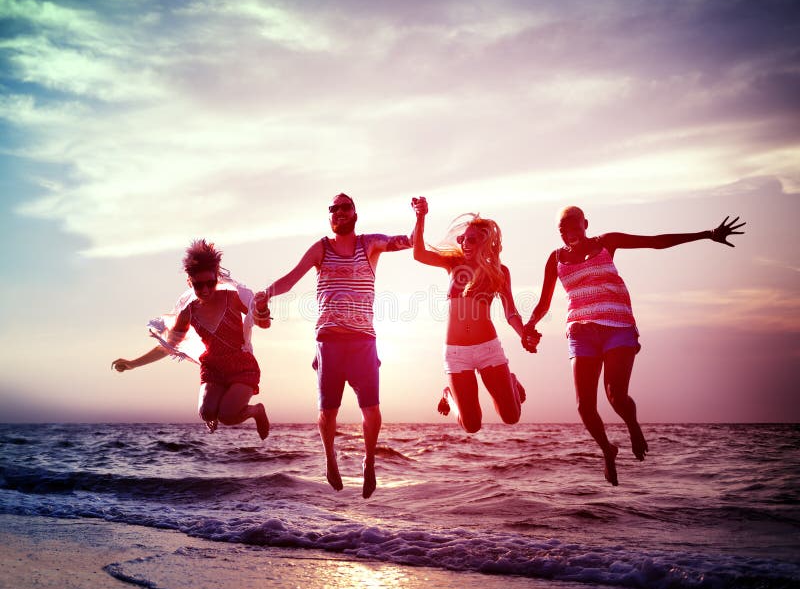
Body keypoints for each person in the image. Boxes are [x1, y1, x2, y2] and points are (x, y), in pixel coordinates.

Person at [523, 208, 745, 486]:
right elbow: (544, 303)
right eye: (562, 229)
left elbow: (655, 241)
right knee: (584, 406)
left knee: (616, 395)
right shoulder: (555, 259)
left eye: (574, 227)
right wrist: (529, 326)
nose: (569, 233)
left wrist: (706, 235)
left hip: (618, 327)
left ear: (585, 225)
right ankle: (607, 450)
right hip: (581, 332)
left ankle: (633, 426)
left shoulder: (607, 242)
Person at [253, 193, 412, 498]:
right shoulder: (320, 248)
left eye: (345, 207)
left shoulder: (371, 244)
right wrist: (267, 293)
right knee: (328, 410)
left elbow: (409, 241)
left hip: (363, 339)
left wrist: (419, 217)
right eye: (333, 209)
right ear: (329, 216)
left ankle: (369, 461)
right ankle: (329, 458)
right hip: (329, 340)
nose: (339, 212)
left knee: (372, 409)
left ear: (355, 213)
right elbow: (290, 279)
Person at [112, 239, 270, 440]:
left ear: (217, 278)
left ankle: (256, 411)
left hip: (241, 366)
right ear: (190, 282)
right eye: (198, 285)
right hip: (213, 367)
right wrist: (133, 364)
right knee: (206, 412)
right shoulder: (188, 312)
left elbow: (263, 323)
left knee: (228, 416)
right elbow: (167, 347)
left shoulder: (232, 298)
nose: (205, 290)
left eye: (210, 283)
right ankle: (215, 407)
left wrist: (262, 310)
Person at [410, 196, 535, 434]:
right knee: (471, 425)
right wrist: (420, 217)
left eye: (472, 240)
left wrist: (523, 335)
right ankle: (449, 395)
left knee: (511, 417)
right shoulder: (453, 264)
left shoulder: (499, 271)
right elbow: (419, 254)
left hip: (488, 348)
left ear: (485, 242)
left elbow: (510, 312)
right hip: (457, 353)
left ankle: (511, 380)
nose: (465, 244)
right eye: (462, 239)